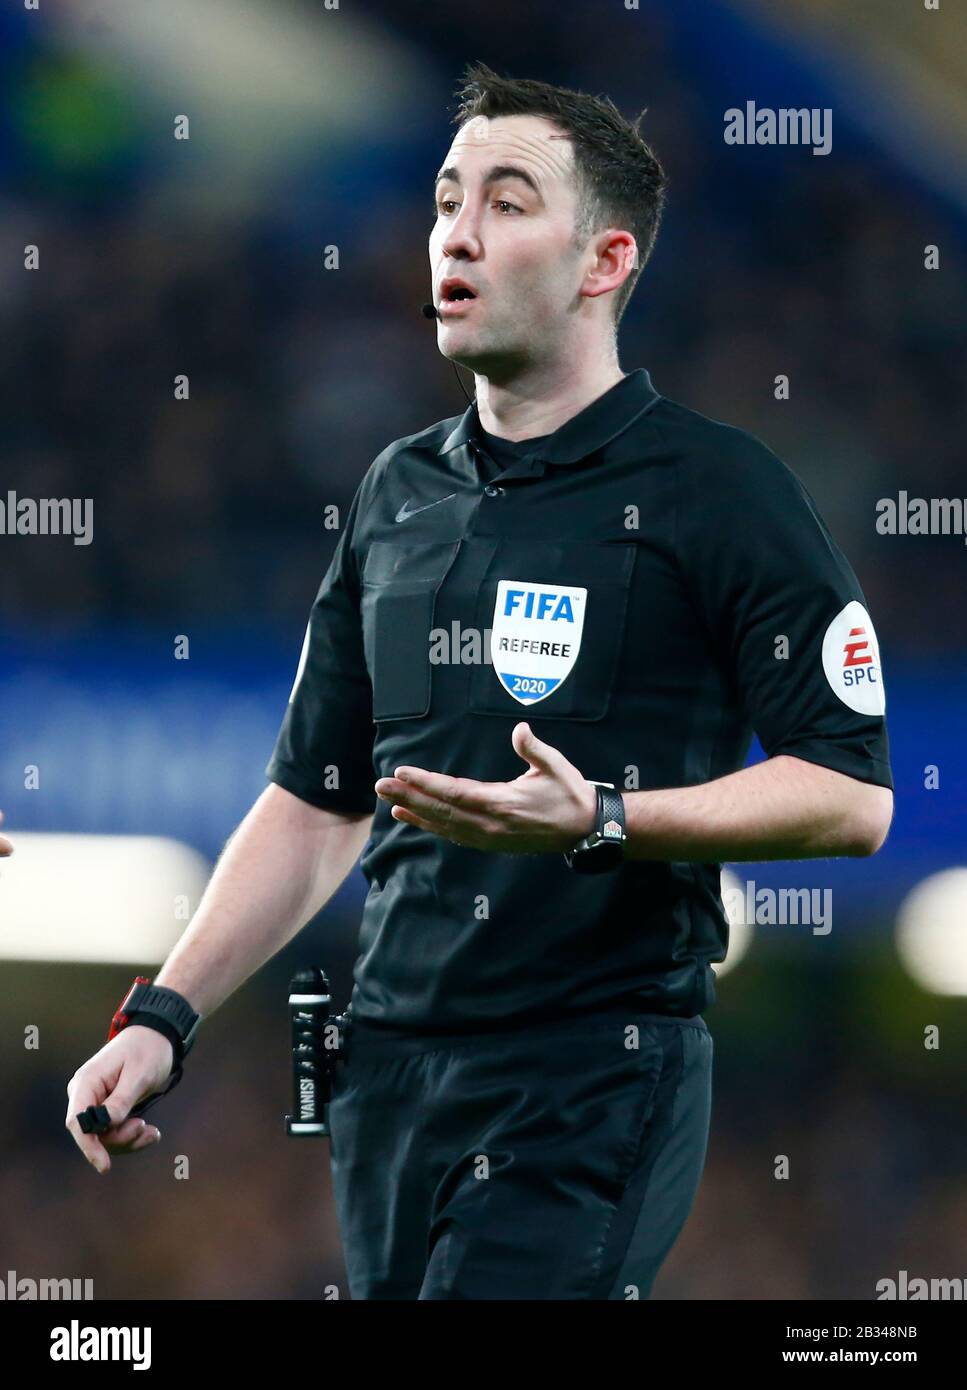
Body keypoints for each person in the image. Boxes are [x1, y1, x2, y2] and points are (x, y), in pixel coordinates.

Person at [64, 62, 893, 1299]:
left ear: (604, 261)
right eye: (448, 200)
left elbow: (852, 794)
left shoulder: (720, 492)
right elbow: (316, 801)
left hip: (590, 1074)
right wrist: (163, 1018)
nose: (456, 231)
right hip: (388, 1077)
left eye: (507, 203)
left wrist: (607, 818)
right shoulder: (396, 492)